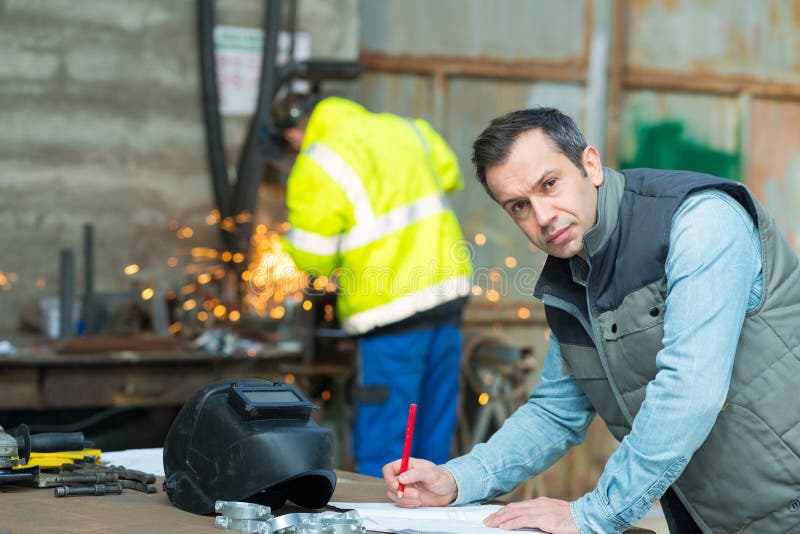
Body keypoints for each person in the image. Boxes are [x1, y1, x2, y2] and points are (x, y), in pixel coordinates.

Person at [382, 107, 800, 533]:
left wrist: (594, 513)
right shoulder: (570, 278)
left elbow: (691, 390)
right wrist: (458, 479)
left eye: (549, 184)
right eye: (519, 206)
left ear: (591, 165)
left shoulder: (699, 223)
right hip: (709, 515)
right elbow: (556, 412)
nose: (543, 216)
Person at [275, 94, 473, 477]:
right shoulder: (406, 128)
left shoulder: (317, 159)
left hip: (389, 309)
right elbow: (450, 174)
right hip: (447, 296)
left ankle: (379, 520)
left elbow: (312, 257)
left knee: (387, 447)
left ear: (296, 131)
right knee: (433, 439)